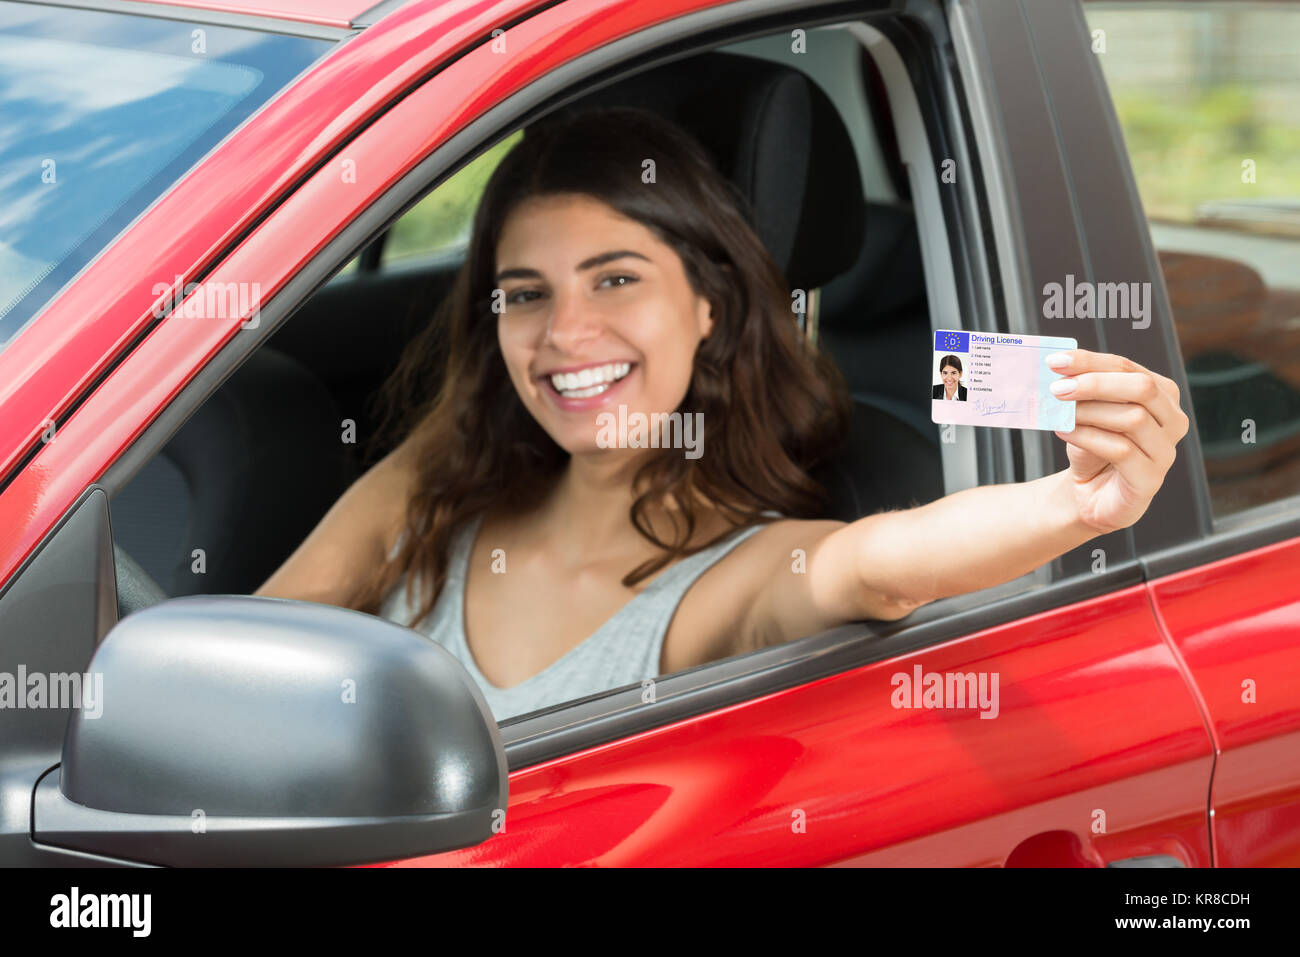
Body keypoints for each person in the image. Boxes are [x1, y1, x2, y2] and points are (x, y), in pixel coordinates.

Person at [254, 106, 1189, 722]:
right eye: (526, 294)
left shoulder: (730, 579)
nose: (565, 333)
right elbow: (252, 653)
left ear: (709, 306)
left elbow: (875, 569)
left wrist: (1078, 506)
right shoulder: (443, 476)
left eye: (616, 279)